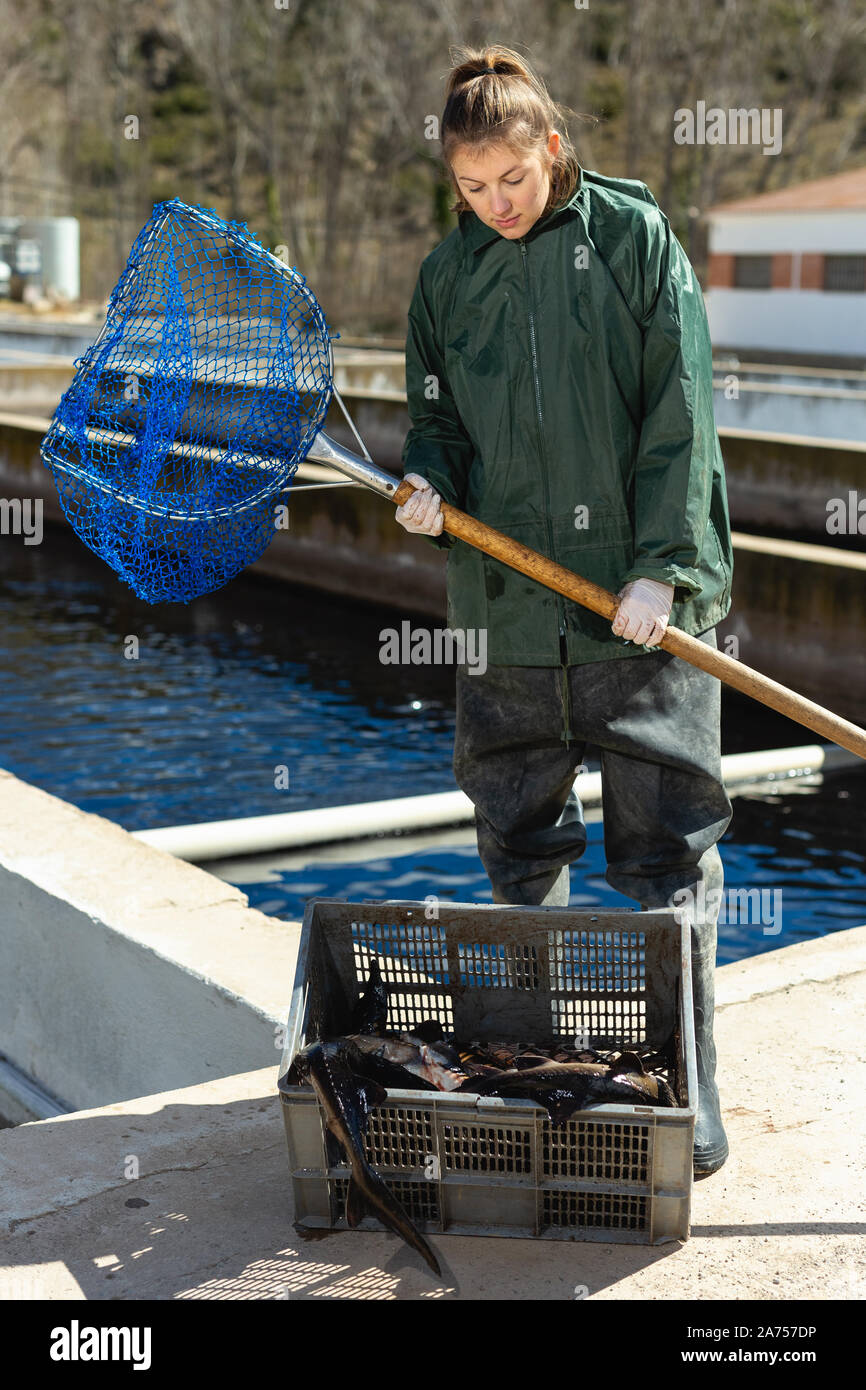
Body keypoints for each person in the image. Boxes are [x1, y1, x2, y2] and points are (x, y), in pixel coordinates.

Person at [396, 45, 734, 1177]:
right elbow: (435, 423)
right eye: (470, 188)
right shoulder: (445, 279)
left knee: (662, 859)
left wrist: (661, 568)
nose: (493, 205)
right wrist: (424, 484)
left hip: (636, 611)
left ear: (552, 148)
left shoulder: (635, 243)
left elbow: (678, 415)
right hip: (503, 615)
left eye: (511, 179)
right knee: (515, 842)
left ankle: (681, 1099)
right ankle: (527, 1082)